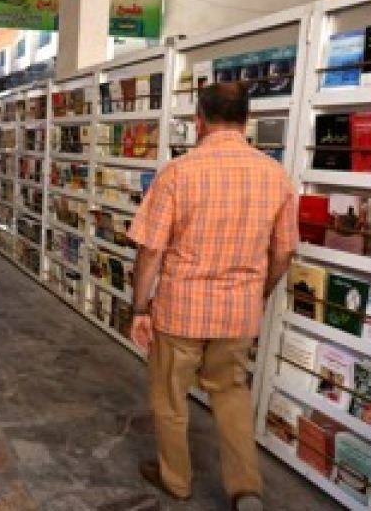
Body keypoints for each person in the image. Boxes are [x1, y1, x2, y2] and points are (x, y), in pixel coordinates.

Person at [126, 82, 297, 511]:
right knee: (231, 393)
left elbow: (151, 251)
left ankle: (177, 480)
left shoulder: (178, 172)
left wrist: (140, 308)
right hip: (238, 314)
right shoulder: (276, 176)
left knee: (170, 398)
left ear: (198, 120)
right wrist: (258, 293)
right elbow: (283, 253)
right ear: (247, 119)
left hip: (180, 311)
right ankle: (245, 488)